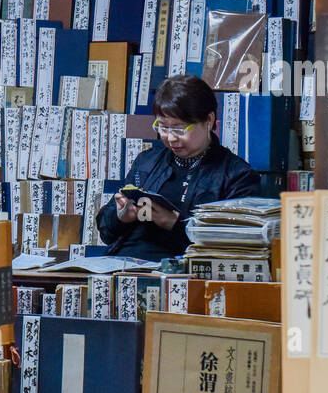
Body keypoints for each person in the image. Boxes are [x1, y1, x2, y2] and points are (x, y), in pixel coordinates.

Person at [96, 75, 260, 262]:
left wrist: (174, 223)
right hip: (121, 264)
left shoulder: (237, 176)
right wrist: (121, 217)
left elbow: (234, 248)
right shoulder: (146, 162)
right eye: (163, 127)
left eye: (180, 129)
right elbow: (106, 233)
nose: (171, 138)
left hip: (179, 272)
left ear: (209, 120)